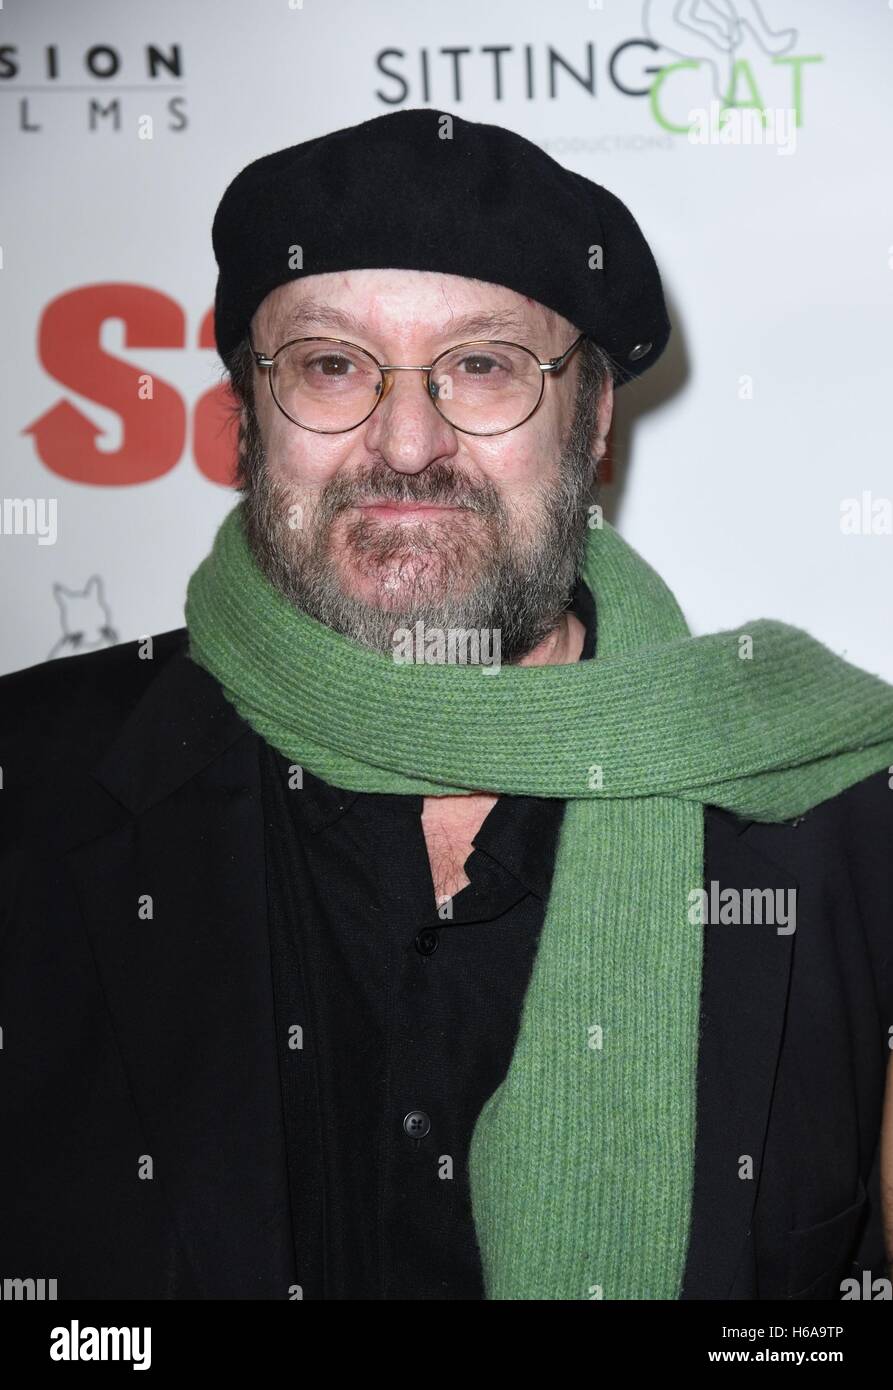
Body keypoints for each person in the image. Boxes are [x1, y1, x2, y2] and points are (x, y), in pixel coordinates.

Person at [2, 108, 892, 1302]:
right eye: (330, 364)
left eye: (482, 365)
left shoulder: (841, 817)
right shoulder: (31, 780)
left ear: (593, 422)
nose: (407, 442)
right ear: (247, 418)